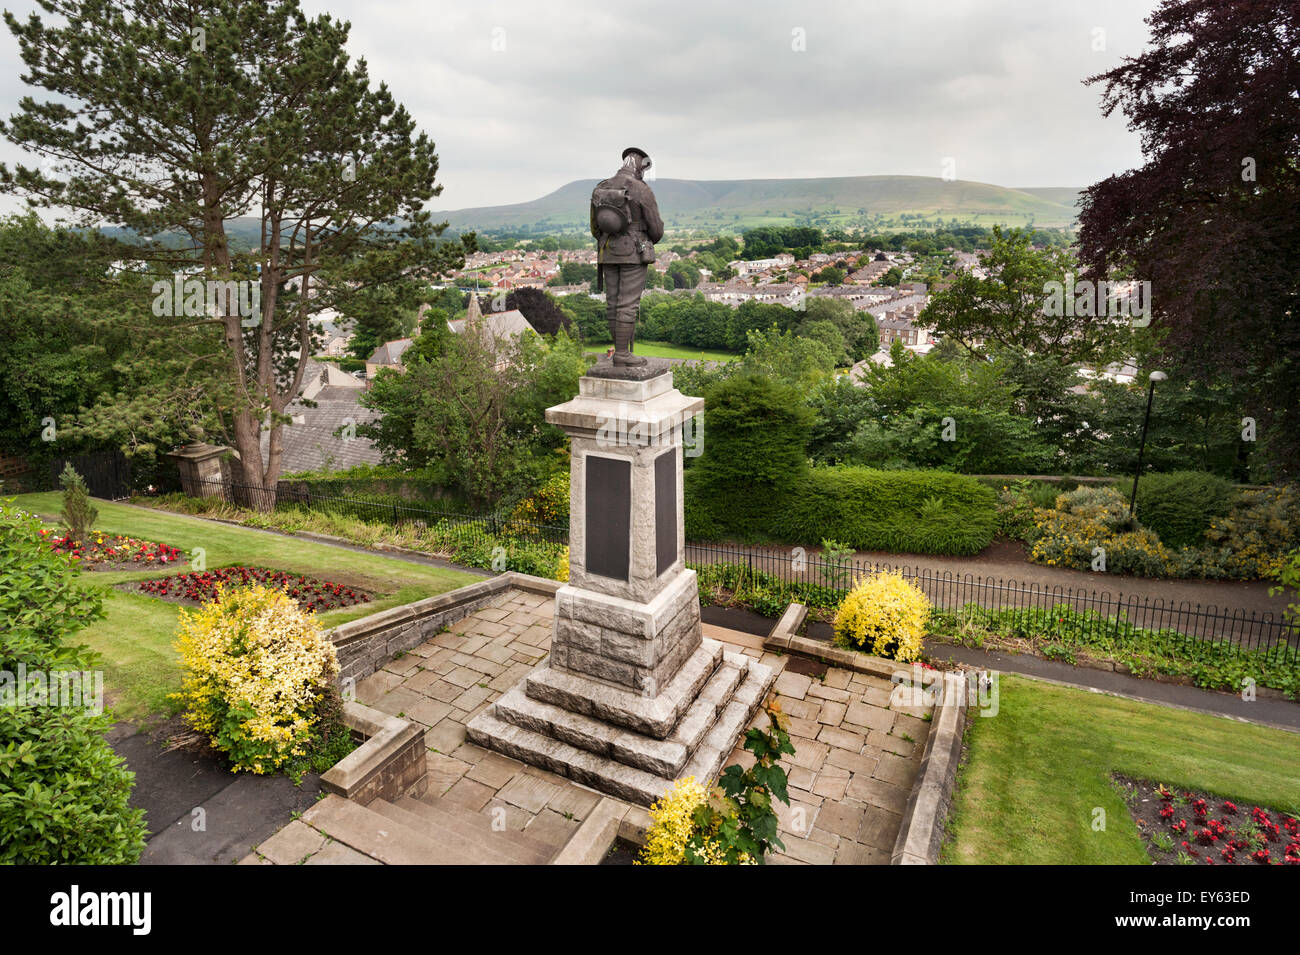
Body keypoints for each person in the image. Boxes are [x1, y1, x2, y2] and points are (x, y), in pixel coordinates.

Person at [590, 146, 664, 366]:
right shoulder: (641, 189)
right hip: (633, 252)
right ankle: (623, 354)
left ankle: (619, 353)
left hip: (607, 251)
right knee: (628, 304)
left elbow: (595, 228)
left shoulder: (601, 187)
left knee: (612, 304)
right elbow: (656, 229)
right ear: (641, 166)